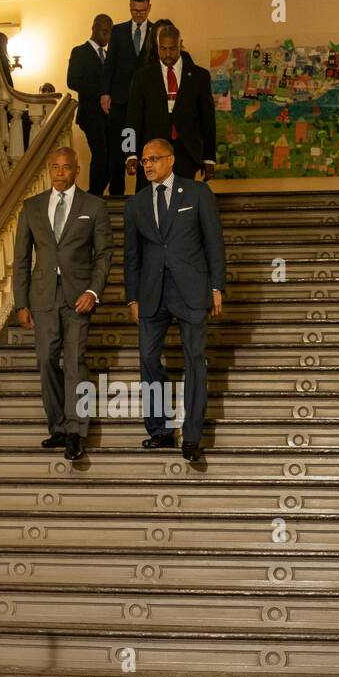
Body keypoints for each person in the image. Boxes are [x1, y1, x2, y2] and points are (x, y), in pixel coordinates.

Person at [122, 138, 225, 463]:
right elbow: (131, 255)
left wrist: (217, 286)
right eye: (144, 161)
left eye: (153, 159)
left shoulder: (196, 194)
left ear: (170, 160)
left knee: (195, 361)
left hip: (192, 289)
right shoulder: (136, 203)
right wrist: (132, 297)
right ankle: (160, 430)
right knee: (149, 361)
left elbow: (214, 242)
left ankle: (192, 437)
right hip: (152, 294)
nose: (147, 165)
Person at [12, 147, 113, 462]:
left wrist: (93, 292)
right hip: (42, 298)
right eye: (54, 167)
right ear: (48, 169)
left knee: (74, 362)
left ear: (76, 170)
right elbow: (21, 260)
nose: (59, 173)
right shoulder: (31, 207)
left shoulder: (94, 206)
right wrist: (21, 302)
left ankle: (75, 432)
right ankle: (56, 426)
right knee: (45, 361)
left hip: (77, 297)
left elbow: (104, 255)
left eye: (65, 168)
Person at [124, 24, 216, 190]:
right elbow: (131, 119)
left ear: (180, 45)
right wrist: (129, 153)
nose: (167, 54)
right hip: (151, 153)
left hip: (186, 154)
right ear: (157, 47)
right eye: (163, 49)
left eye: (172, 49)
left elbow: (208, 120)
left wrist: (209, 158)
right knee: (148, 206)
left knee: (182, 206)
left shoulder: (199, 76)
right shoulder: (142, 77)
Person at [100, 0, 154, 196]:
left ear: (149, 8)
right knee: (121, 147)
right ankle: (117, 194)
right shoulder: (119, 31)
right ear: (129, 7)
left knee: (145, 147)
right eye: (134, 10)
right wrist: (105, 92)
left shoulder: (157, 29)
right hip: (121, 103)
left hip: (146, 103)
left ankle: (144, 194)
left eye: (141, 11)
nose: (138, 14)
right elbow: (109, 65)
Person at [66, 15, 113, 196]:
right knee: (100, 155)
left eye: (110, 33)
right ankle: (94, 195)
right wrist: (102, 92)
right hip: (91, 114)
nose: (107, 37)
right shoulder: (80, 52)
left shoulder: (109, 56)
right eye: (104, 31)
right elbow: (72, 81)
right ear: (94, 28)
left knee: (112, 158)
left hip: (109, 116)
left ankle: (96, 193)